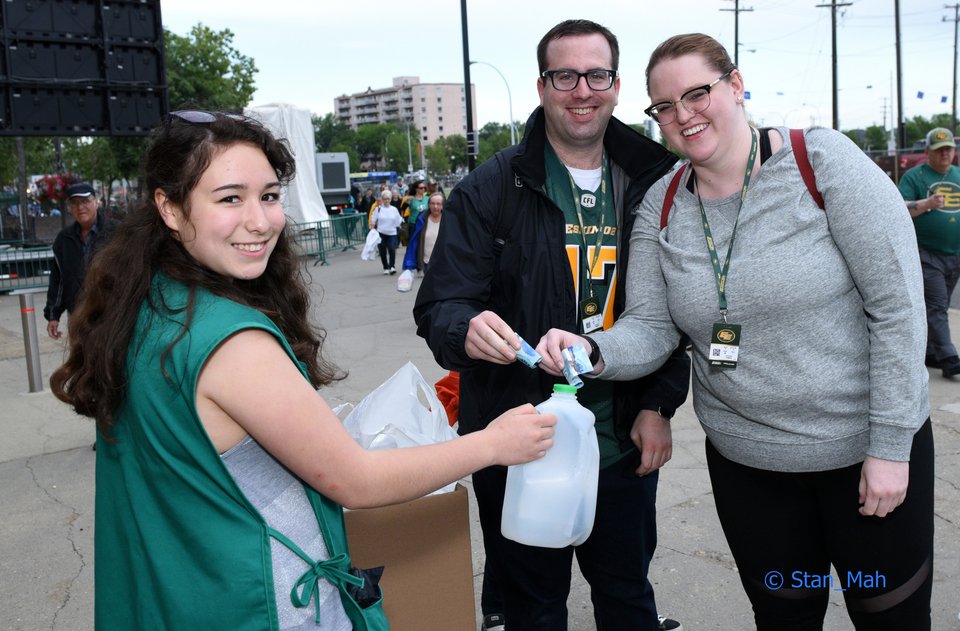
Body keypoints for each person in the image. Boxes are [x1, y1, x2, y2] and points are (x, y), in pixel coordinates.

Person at [48, 111, 555, 630]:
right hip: (261, 603)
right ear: (170, 208)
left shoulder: (148, 306)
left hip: (180, 595)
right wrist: (493, 443)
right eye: (230, 198)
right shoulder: (231, 340)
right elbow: (356, 481)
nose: (260, 220)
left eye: (269, 196)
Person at [538, 33, 934, 630]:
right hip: (751, 471)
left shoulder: (820, 163)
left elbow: (898, 309)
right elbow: (649, 326)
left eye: (697, 93)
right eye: (664, 107)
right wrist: (590, 350)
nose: (683, 116)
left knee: (889, 617)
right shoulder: (663, 204)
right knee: (784, 616)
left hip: (863, 459)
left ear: (737, 85)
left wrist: (890, 446)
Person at [414, 19, 688, 631]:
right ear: (542, 86)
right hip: (520, 442)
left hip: (621, 439)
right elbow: (439, 308)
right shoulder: (491, 185)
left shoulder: (659, 181)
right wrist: (466, 332)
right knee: (532, 609)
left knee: (628, 597)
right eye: (565, 75)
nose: (582, 90)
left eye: (597, 75)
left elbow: (675, 312)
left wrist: (660, 406)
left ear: (617, 86)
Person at [899, 126, 960, 378]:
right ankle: (949, 358)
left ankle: (929, 352)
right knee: (936, 305)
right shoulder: (915, 177)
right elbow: (899, 208)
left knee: (939, 304)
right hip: (927, 253)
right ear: (927, 151)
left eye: (949, 149)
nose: (945, 154)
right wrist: (926, 204)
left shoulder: (957, 175)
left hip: (955, 254)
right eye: (939, 149)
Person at [43, 182, 116, 339]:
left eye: (85, 201)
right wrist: (53, 314)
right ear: (70, 208)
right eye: (75, 203)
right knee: (82, 360)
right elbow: (59, 280)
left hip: (111, 314)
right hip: (78, 316)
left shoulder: (117, 233)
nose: (80, 207)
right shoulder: (64, 239)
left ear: (96, 203)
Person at [402, 190, 444, 275]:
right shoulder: (422, 219)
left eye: (438, 204)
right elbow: (414, 242)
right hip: (427, 262)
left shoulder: (448, 220)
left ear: (443, 206)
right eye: (432, 203)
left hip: (444, 262)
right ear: (428, 205)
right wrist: (410, 263)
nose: (435, 207)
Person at [370, 189, 402, 274]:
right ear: (382, 200)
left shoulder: (394, 209)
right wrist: (372, 230)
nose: (386, 200)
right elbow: (373, 220)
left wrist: (399, 224)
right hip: (381, 233)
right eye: (385, 199)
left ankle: (392, 266)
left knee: (392, 249)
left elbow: (398, 220)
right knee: (382, 251)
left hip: (392, 233)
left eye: (388, 199)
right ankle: (385, 267)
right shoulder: (378, 209)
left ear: (390, 199)